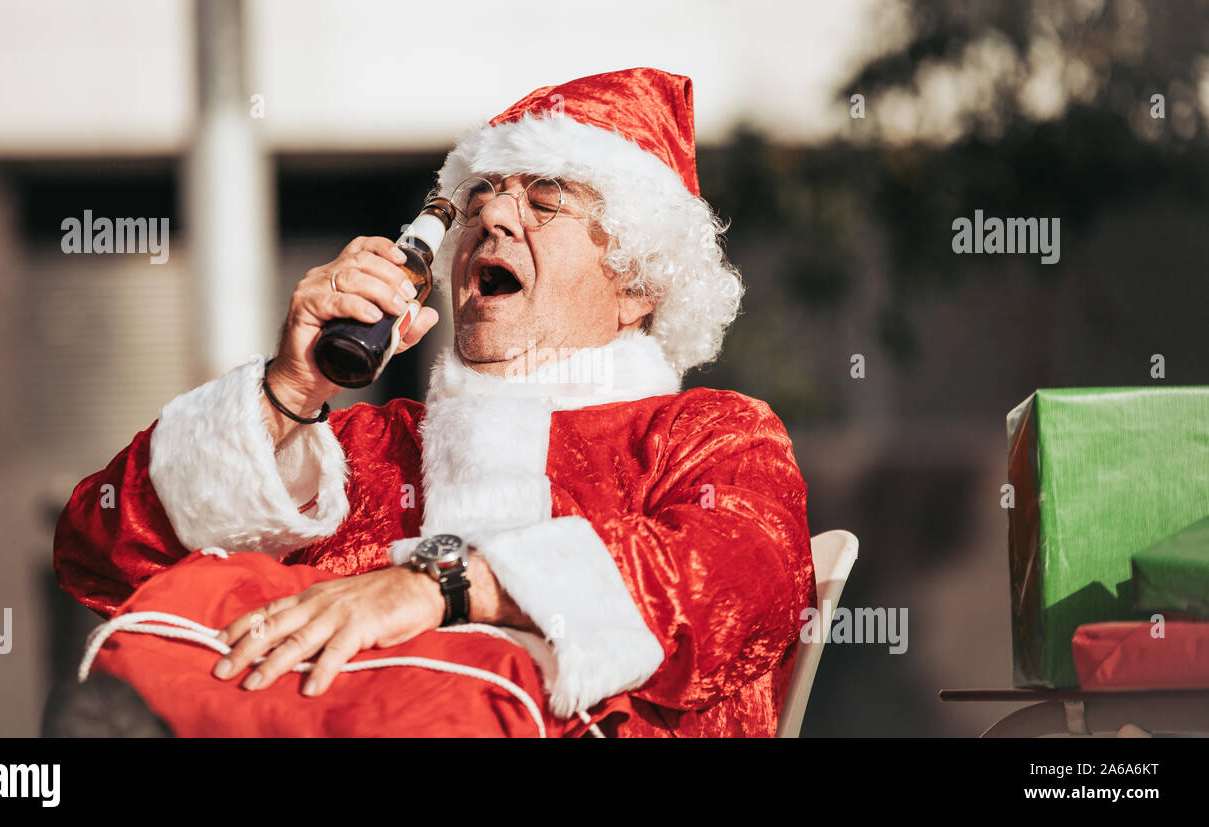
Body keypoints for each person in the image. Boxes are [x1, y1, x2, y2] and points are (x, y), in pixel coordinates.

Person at [53, 66, 816, 737]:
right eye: (481, 194)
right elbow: (100, 554)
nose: (492, 215)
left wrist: (444, 584)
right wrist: (290, 388)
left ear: (637, 287)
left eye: (545, 199)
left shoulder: (709, 434)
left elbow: (743, 579)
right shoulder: (369, 446)